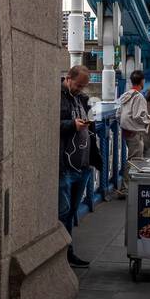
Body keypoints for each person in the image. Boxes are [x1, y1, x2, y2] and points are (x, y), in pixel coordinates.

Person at [59, 65, 94, 266]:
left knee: (71, 211)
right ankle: (63, 253)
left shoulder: (80, 99)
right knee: (63, 212)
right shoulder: (57, 96)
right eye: (79, 85)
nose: (80, 89)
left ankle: (67, 251)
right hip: (64, 166)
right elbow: (48, 123)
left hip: (81, 165)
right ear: (68, 78)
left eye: (84, 86)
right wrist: (72, 125)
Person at [116, 69, 150, 197]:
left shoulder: (126, 95)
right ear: (142, 81)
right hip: (135, 132)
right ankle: (126, 188)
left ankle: (127, 186)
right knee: (135, 160)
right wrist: (149, 119)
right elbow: (139, 115)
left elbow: (118, 114)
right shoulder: (139, 97)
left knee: (131, 158)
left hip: (126, 130)